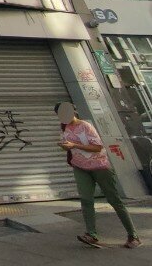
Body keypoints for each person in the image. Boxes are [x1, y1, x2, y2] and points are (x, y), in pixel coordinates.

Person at [55, 102, 141, 248]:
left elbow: (97, 147)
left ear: (73, 111)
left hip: (99, 167)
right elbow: (69, 148)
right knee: (86, 200)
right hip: (80, 167)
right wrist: (65, 146)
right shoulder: (65, 128)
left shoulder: (86, 126)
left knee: (114, 200)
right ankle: (91, 234)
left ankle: (133, 236)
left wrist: (74, 145)